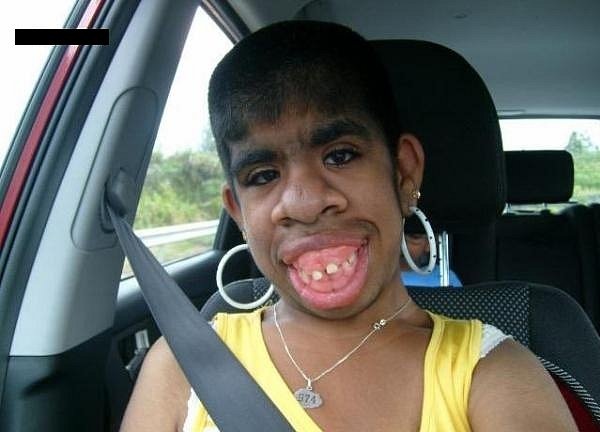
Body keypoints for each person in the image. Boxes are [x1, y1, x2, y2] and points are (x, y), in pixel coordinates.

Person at [120, 20, 576, 431]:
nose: (303, 204)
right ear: (237, 211)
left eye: (340, 155)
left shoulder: (494, 373)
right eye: (262, 176)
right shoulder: (183, 366)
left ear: (404, 173)